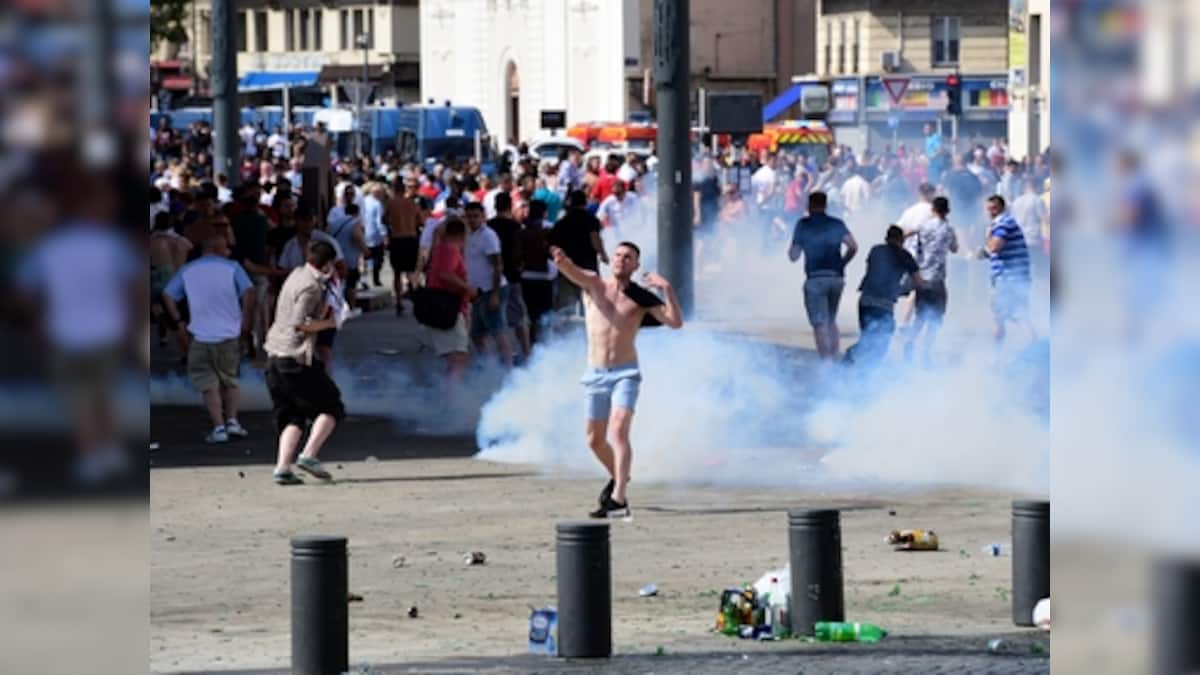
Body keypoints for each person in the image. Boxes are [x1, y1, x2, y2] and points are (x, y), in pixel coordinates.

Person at [550, 241, 683, 518]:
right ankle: (619, 478)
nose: (622, 260)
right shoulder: (595, 285)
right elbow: (574, 273)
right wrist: (562, 261)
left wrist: (666, 289)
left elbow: (674, 322)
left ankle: (619, 499)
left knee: (619, 430)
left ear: (635, 265)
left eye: (629, 257)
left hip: (626, 373)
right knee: (594, 440)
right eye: (619, 255)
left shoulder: (640, 297)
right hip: (596, 373)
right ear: (611, 260)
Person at [262, 240, 345, 486]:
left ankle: (283, 468)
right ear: (328, 263)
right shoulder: (311, 287)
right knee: (332, 407)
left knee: (292, 415)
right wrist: (331, 323)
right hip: (295, 358)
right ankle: (309, 455)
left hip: (275, 356)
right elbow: (300, 323)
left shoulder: (297, 274)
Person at [161, 236, 254, 444]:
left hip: (201, 335)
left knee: (208, 384)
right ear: (217, 248)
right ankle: (233, 422)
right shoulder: (233, 268)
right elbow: (249, 291)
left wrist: (178, 321)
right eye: (227, 248)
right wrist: (245, 320)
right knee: (230, 380)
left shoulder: (188, 270)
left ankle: (218, 428)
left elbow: (168, 294)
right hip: (230, 333)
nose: (229, 252)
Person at [787, 191, 858, 360]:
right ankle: (835, 356)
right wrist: (842, 263)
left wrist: (799, 248)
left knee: (819, 323)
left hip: (815, 278)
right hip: (836, 278)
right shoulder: (836, 223)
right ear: (825, 205)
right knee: (831, 320)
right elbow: (853, 246)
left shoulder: (803, 224)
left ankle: (826, 363)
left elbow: (793, 255)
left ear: (809, 205)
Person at [844, 225, 922, 367]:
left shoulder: (876, 250)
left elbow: (872, 272)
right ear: (901, 239)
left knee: (867, 338)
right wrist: (904, 289)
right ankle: (865, 372)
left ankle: (851, 361)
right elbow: (918, 281)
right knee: (881, 343)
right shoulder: (904, 255)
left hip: (865, 300)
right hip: (884, 304)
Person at [902, 197, 958, 365]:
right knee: (936, 318)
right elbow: (954, 249)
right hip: (938, 278)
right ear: (947, 211)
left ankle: (910, 343)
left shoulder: (925, 226)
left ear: (933, 210)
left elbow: (905, 234)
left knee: (920, 315)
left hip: (922, 276)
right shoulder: (949, 229)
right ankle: (926, 352)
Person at [975, 195, 1035, 349]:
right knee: (1002, 317)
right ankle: (998, 359)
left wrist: (982, 252)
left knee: (1017, 317)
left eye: (994, 208)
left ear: (1002, 207)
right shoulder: (1003, 222)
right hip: (1011, 277)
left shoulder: (1003, 223)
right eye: (988, 209)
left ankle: (1035, 351)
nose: (991, 212)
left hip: (1008, 278)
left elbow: (994, 247)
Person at [424, 218, 477, 387]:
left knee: (457, 357)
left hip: (447, 307)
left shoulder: (441, 249)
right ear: (462, 235)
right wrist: (467, 288)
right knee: (458, 357)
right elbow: (445, 275)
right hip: (447, 308)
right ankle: (451, 400)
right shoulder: (450, 250)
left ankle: (449, 396)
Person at [463, 202, 514, 367]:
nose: (472, 219)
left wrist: (495, 294)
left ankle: (508, 370)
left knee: (497, 331)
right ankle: (489, 367)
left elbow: (498, 265)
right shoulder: (468, 234)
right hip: (477, 292)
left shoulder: (488, 236)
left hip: (492, 289)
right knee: (477, 333)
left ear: (483, 217)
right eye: (469, 216)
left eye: (475, 216)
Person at [486, 193, 531, 360]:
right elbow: (522, 253)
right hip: (512, 276)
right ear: (509, 206)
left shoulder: (488, 227)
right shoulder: (516, 227)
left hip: (492, 279)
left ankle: (496, 356)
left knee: (493, 319)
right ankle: (525, 352)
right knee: (518, 317)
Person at [519, 199, 556, 343]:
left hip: (527, 277)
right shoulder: (549, 229)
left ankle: (533, 343)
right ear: (544, 213)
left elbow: (517, 255)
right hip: (545, 277)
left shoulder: (522, 231)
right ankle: (545, 346)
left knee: (531, 315)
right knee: (545, 314)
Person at [386, 177, 424, 314]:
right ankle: (416, 298)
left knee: (397, 273)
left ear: (394, 190)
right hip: (411, 238)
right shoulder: (413, 204)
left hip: (397, 239)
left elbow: (384, 219)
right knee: (412, 271)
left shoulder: (391, 203)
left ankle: (398, 301)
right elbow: (421, 221)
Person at [362, 184, 389, 287]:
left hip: (364, 234)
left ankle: (364, 280)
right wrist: (384, 235)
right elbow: (379, 222)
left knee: (364, 258)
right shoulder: (378, 204)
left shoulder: (363, 201)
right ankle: (376, 279)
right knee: (378, 259)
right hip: (375, 235)